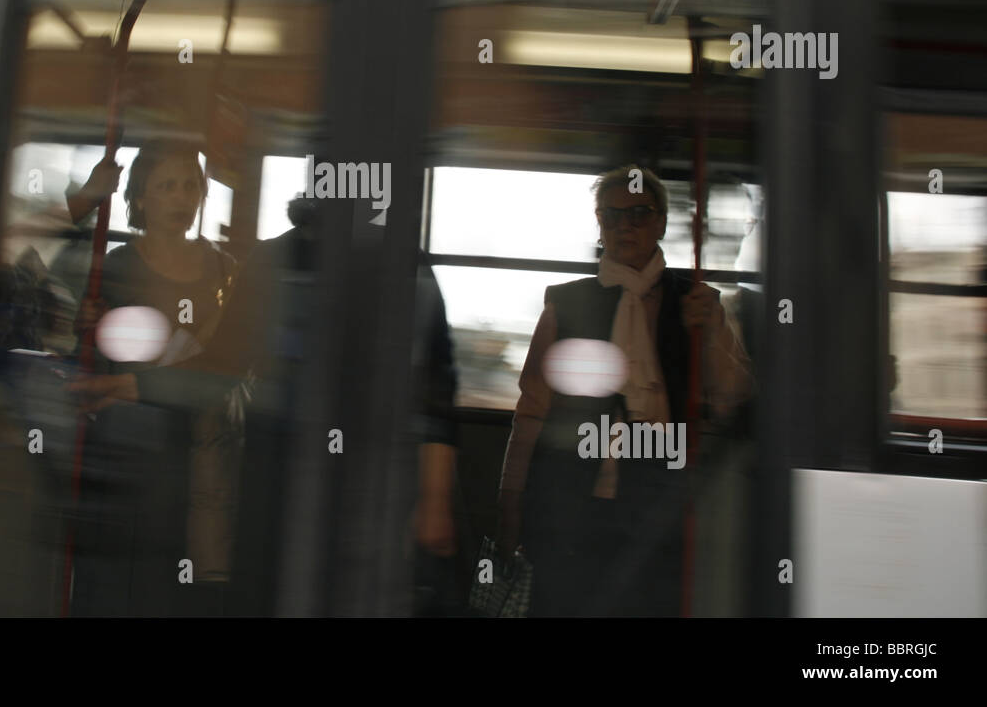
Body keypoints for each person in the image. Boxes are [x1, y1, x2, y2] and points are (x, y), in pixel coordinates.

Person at [74, 188, 463, 616]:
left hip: (363, 481)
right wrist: (129, 386)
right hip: (280, 473)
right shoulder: (275, 258)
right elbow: (224, 363)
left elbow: (433, 395)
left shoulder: (402, 263)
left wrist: (434, 499)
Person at [497, 164, 751, 616]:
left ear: (660, 223)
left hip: (659, 507)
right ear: (599, 223)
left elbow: (734, 400)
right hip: (571, 502)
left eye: (637, 213)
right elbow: (532, 412)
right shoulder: (566, 304)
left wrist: (709, 333)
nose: (623, 227)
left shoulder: (698, 304)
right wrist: (512, 504)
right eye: (610, 216)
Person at [66, 140, 237, 617]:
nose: (181, 198)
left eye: (190, 185)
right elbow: (90, 364)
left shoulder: (225, 272)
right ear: (140, 198)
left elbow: (231, 363)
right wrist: (86, 328)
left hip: (197, 448)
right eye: (166, 187)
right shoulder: (116, 267)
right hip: (125, 450)